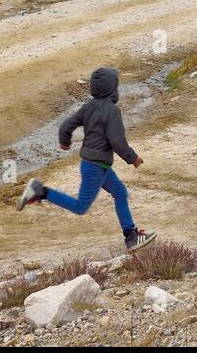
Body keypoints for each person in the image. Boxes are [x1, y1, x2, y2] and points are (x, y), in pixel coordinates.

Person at [16, 67, 157, 253]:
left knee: (120, 193)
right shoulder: (112, 111)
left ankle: (131, 236)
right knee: (80, 207)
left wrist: (65, 143)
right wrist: (133, 158)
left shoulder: (89, 107)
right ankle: (41, 191)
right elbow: (117, 141)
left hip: (97, 165)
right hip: (96, 167)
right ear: (112, 89)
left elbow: (66, 126)